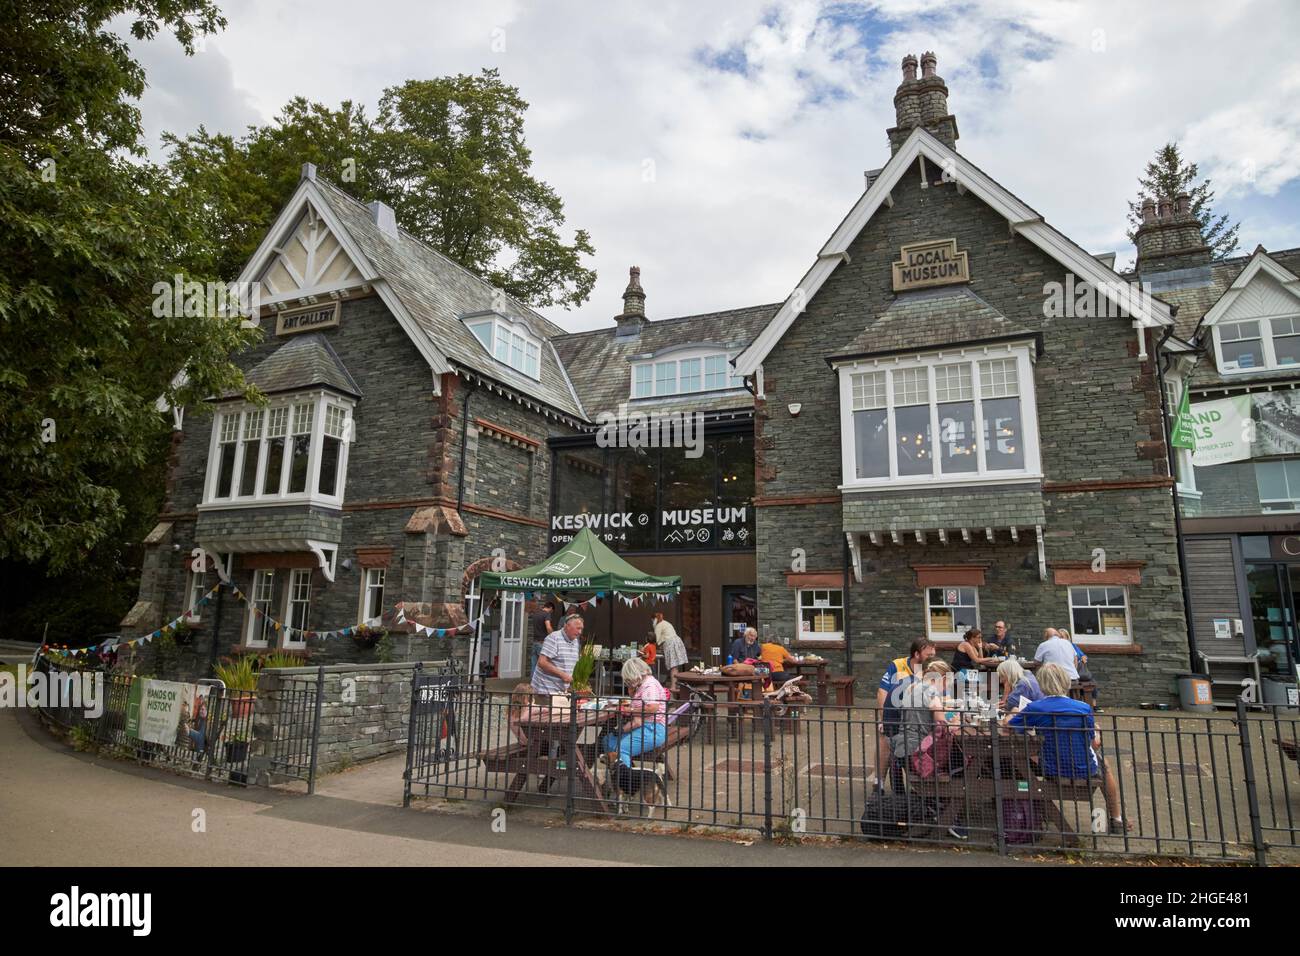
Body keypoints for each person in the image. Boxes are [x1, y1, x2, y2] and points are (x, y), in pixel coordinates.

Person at [1002, 662, 1130, 834]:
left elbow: (1008, 726)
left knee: (1027, 755)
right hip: (1084, 768)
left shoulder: (1036, 708)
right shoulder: (1084, 708)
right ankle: (1116, 819)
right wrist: (1097, 733)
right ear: (1066, 682)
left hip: (1051, 767)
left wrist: (1014, 712)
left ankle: (1033, 805)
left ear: (1041, 684)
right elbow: (1094, 744)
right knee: (1104, 765)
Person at [892, 660, 966, 839]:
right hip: (918, 753)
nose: (946, 688)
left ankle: (941, 809)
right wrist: (956, 721)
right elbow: (942, 723)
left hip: (903, 749)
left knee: (956, 762)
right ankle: (949, 816)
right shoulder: (931, 691)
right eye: (946, 683)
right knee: (961, 765)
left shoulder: (913, 687)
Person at [873, 637, 936, 790]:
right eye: (929, 655)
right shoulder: (897, 665)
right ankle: (878, 782)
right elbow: (882, 692)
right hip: (895, 714)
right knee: (886, 740)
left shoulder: (929, 670)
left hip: (912, 717)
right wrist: (883, 720)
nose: (932, 657)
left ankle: (908, 787)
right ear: (917, 654)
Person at [603, 656, 669, 772]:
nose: (627, 682)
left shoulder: (649, 685)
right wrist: (621, 730)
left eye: (628, 679)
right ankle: (623, 770)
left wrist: (629, 710)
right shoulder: (641, 686)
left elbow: (652, 707)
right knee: (608, 740)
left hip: (653, 729)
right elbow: (638, 721)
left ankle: (626, 780)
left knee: (622, 749)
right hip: (643, 727)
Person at [531, 612, 582, 695]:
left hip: (560, 692)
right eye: (578, 628)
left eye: (581, 629)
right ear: (567, 626)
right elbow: (542, 662)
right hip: (544, 692)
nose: (580, 632)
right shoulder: (554, 638)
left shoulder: (575, 641)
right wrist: (563, 675)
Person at [1060, 627, 1100, 712]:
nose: (1061, 639)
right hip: (1070, 673)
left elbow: (1083, 655)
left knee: (1091, 681)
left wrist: (1083, 658)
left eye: (1063, 637)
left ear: (1067, 638)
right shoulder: (1059, 648)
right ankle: (1081, 705)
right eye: (1060, 637)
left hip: (1079, 670)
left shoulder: (1073, 646)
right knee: (1082, 682)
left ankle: (1094, 705)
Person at [657, 620, 689, 690]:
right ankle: (675, 685)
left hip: (671, 644)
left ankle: (673, 687)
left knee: (673, 667)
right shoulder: (667, 623)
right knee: (675, 667)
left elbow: (657, 639)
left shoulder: (659, 625)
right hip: (677, 642)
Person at [529, 600, 556, 681]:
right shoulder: (546, 614)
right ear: (550, 608)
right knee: (544, 664)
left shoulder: (536, 614)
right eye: (552, 611)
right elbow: (548, 627)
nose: (551, 613)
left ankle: (533, 683)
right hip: (542, 643)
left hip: (535, 642)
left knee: (534, 664)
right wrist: (553, 636)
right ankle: (542, 682)